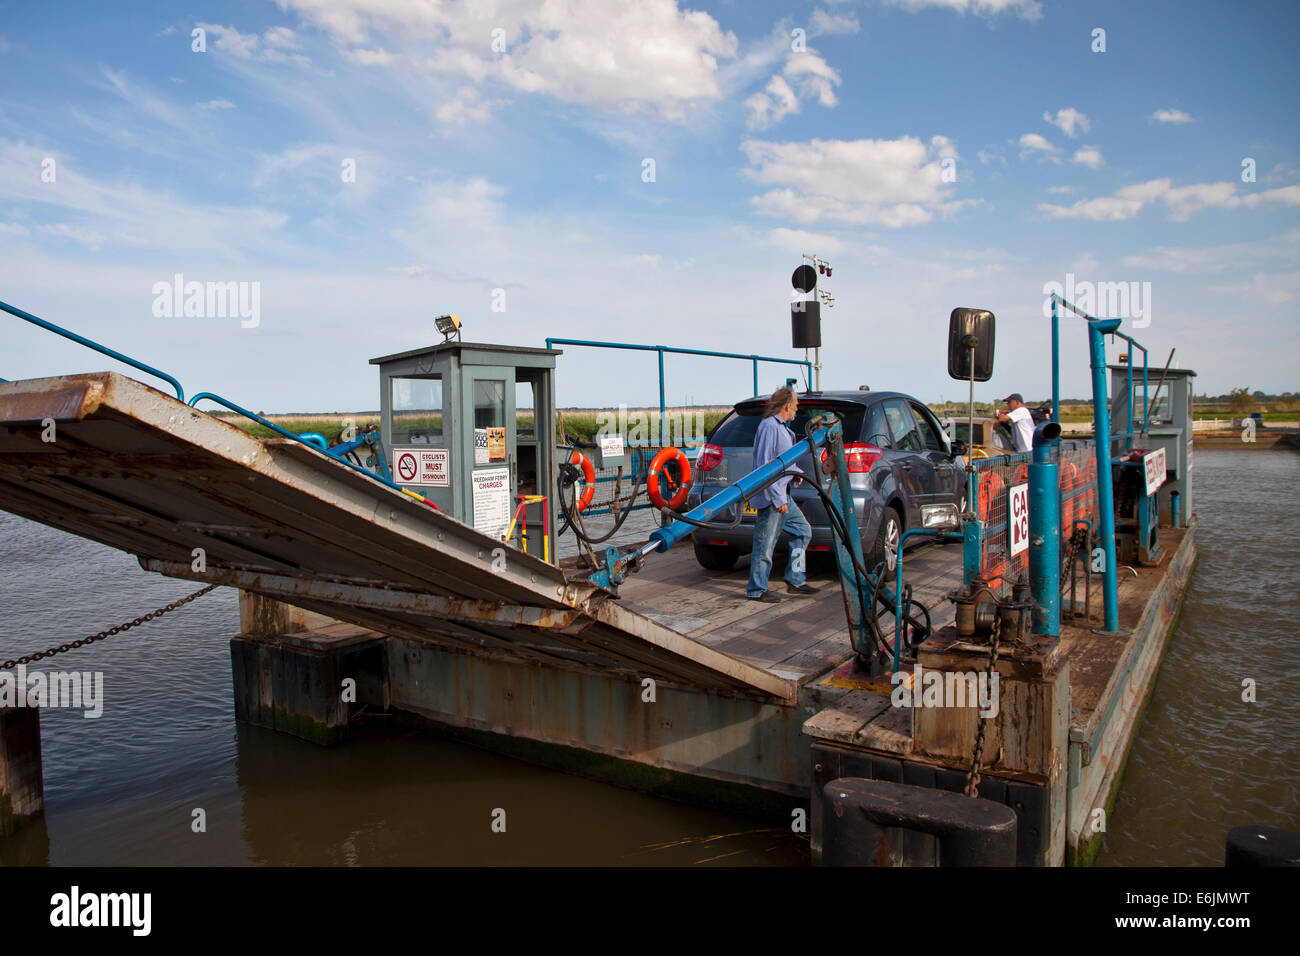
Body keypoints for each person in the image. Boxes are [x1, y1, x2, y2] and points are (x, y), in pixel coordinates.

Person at [746, 387, 819, 602]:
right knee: (765, 543)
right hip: (773, 497)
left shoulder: (782, 428)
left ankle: (795, 579)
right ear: (787, 405)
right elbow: (765, 465)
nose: (797, 407)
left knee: (802, 531)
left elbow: (784, 460)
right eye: (795, 403)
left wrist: (796, 473)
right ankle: (757, 589)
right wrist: (778, 499)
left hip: (784, 493)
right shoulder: (769, 427)